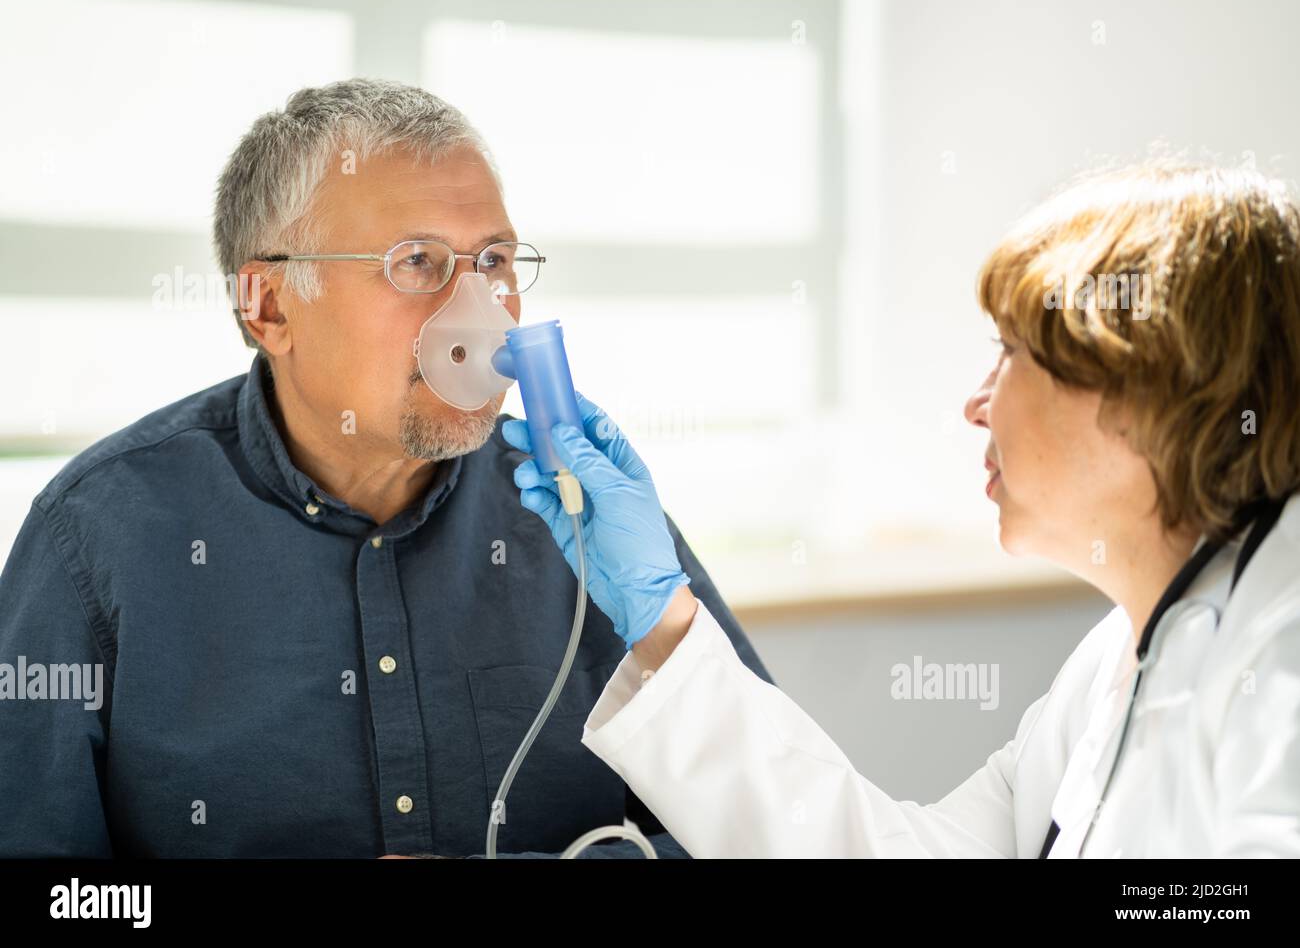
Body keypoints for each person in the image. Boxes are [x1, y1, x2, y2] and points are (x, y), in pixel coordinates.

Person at [0, 79, 772, 858]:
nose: (480, 311)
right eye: (415, 263)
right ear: (267, 306)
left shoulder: (585, 515)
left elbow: (767, 830)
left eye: (495, 260)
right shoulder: (95, 540)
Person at [504, 162, 1300, 857]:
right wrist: (662, 621)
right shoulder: (1116, 657)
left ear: (1146, 388)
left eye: (1012, 354)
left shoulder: (1282, 645)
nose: (977, 404)